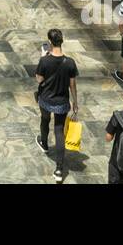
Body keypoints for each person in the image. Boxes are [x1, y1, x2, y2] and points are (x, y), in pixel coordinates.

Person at [34, 28, 79, 183]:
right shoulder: (70, 62)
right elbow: (72, 85)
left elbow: (39, 79)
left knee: (44, 120)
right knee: (59, 131)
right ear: (62, 41)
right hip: (62, 102)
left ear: (50, 42)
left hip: (46, 99)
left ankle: (44, 143)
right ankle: (59, 169)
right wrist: (75, 102)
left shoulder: (44, 60)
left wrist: (42, 57)